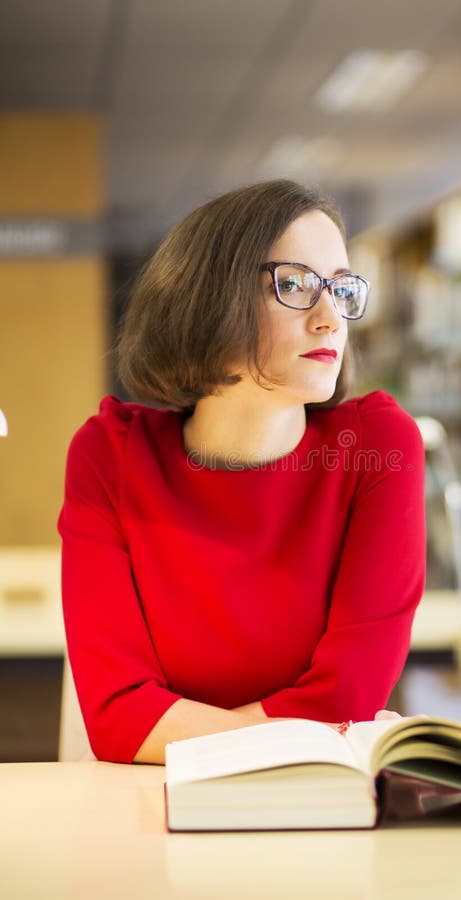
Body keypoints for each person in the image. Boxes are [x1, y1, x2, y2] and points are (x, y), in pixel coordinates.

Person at [57, 179, 426, 765]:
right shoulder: (108, 455)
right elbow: (117, 715)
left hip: (314, 814)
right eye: (297, 285)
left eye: (341, 287)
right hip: (145, 819)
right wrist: (300, 736)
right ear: (208, 300)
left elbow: (348, 696)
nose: (332, 318)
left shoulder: (377, 446)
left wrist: (176, 735)